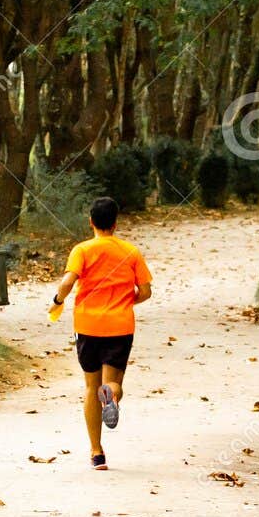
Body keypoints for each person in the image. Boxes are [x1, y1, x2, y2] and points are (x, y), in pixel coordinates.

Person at [49, 196, 153, 471]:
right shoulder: (130, 252)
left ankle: (96, 453)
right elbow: (145, 291)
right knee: (112, 384)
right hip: (119, 326)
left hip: (87, 327)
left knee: (89, 387)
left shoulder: (82, 250)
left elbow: (68, 280)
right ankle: (112, 395)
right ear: (116, 223)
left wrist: (58, 301)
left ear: (91, 221)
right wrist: (124, 301)